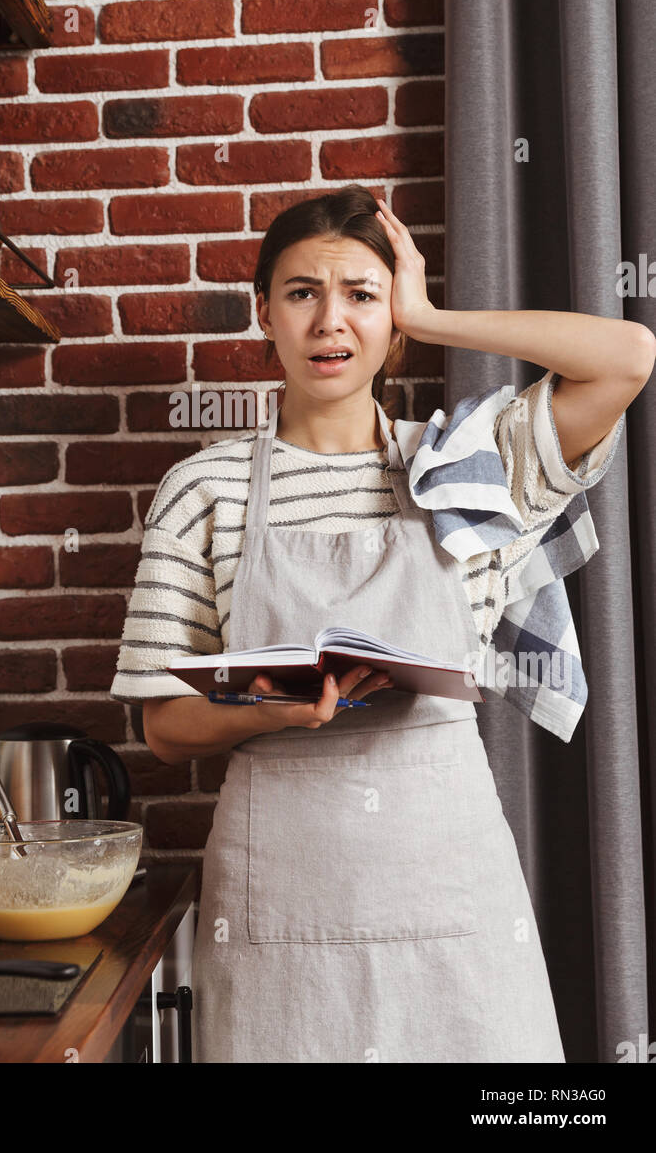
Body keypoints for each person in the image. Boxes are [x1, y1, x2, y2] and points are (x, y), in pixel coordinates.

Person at [109, 184, 655, 1063]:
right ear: (264, 314)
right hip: (279, 898)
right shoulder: (202, 490)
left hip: (447, 892)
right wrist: (274, 708)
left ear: (391, 321)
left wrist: (433, 315)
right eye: (302, 293)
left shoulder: (466, 467)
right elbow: (164, 729)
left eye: (361, 295)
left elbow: (627, 355)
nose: (331, 320)